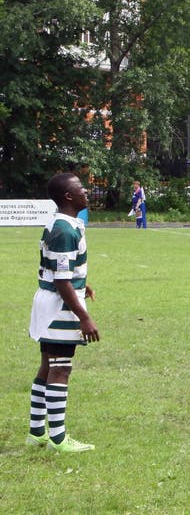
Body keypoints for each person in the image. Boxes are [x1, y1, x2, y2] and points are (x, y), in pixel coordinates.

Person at [27, 173, 100, 452]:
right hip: (59, 307)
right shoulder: (65, 230)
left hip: (50, 301)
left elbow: (61, 269)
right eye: (81, 188)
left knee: (47, 366)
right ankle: (58, 438)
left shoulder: (63, 224)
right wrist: (84, 317)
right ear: (69, 196)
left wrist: (83, 284)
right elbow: (61, 281)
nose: (86, 191)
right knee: (61, 369)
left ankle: (36, 432)